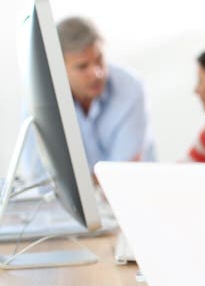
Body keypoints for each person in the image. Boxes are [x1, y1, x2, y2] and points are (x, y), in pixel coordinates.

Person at [25, 16, 155, 176]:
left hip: (132, 194)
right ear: (58, 70)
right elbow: (40, 176)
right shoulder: (39, 102)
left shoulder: (130, 89)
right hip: (80, 199)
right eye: (82, 66)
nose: (97, 74)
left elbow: (120, 176)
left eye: (100, 59)